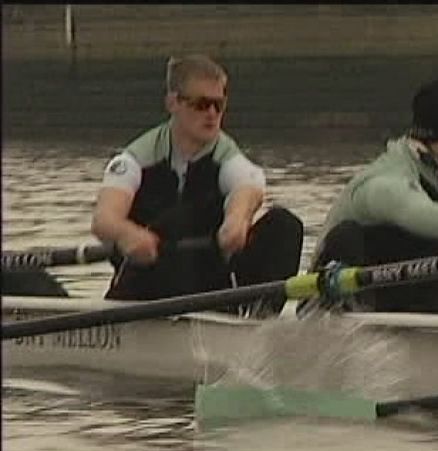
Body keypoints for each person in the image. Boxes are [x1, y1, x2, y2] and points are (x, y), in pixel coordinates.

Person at [91, 54, 303, 315]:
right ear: (173, 103)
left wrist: (236, 221)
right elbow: (104, 220)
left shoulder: (228, 158)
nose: (212, 114)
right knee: (175, 221)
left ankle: (259, 322)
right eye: (202, 104)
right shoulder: (135, 158)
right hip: (145, 287)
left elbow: (247, 189)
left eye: (219, 104)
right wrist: (127, 234)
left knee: (285, 224)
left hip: (209, 286)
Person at [308, 74, 438, 314]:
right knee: (432, 228)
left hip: (411, 316)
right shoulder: (388, 181)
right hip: (335, 315)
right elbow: (436, 219)